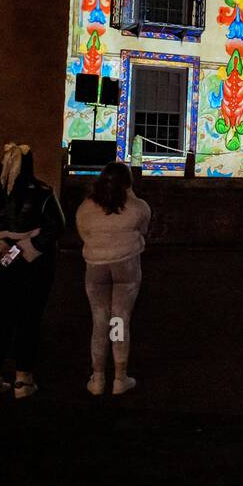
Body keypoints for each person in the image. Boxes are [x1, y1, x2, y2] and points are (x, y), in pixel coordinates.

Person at [0, 143, 66, 399]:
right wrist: (29, 246)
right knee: (28, 319)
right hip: (32, 266)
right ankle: (23, 379)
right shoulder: (42, 192)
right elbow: (57, 226)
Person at [76, 162, 151, 395]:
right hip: (126, 265)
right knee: (119, 319)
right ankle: (119, 377)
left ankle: (97, 377)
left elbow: (83, 234)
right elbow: (143, 230)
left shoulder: (85, 208)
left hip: (95, 266)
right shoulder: (138, 207)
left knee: (99, 320)